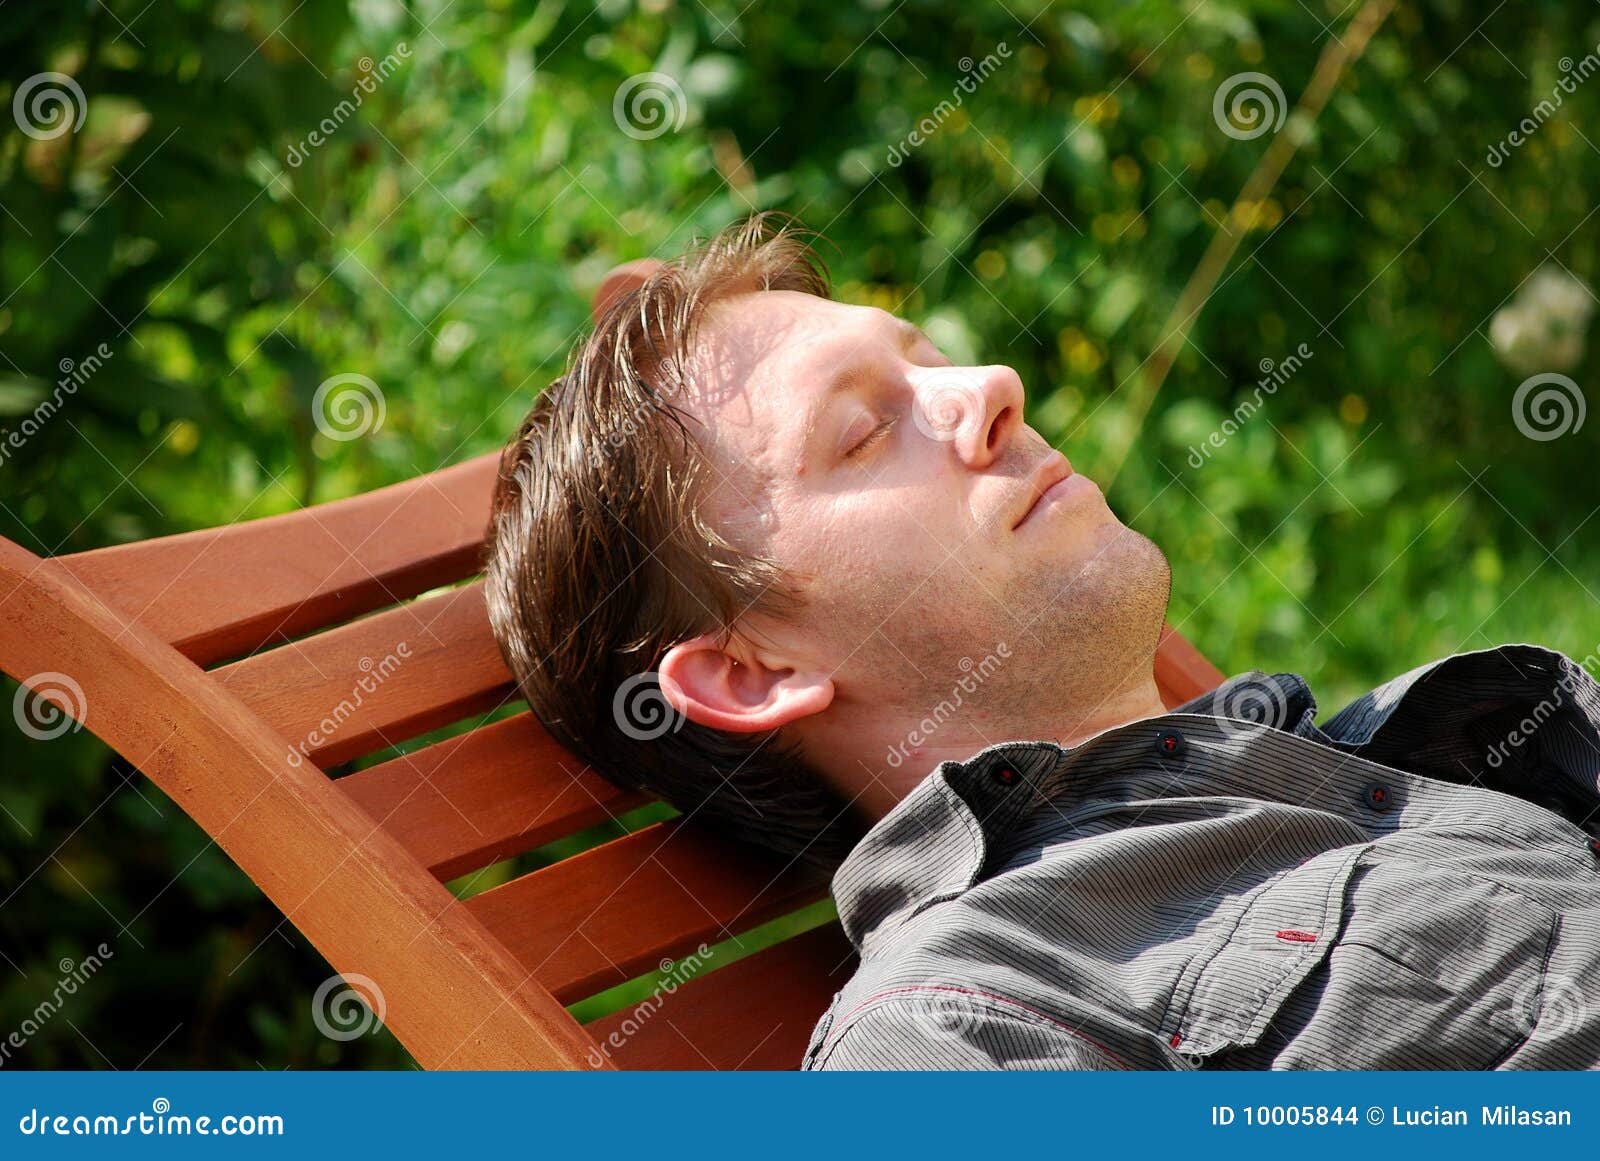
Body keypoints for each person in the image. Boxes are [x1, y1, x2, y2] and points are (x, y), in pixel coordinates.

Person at [484, 212, 1600, 1069]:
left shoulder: (1394, 757)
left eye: (930, 359)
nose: (992, 388)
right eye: (867, 430)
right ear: (751, 670)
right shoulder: (961, 1029)